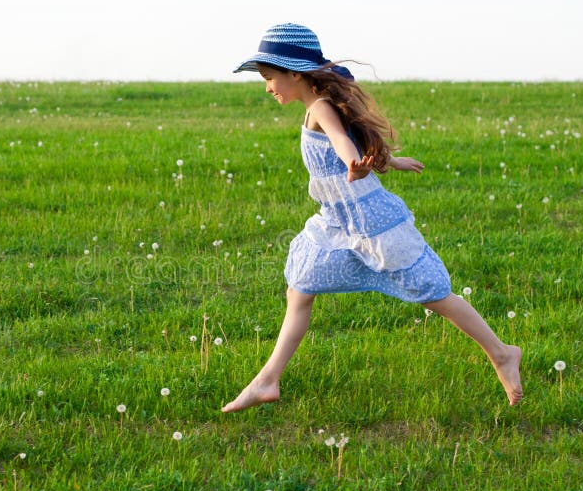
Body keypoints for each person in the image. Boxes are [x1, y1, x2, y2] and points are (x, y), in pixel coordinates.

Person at [221, 23, 522, 413]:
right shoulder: (320, 105)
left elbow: (343, 143)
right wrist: (387, 161)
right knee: (300, 288)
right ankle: (268, 380)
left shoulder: (321, 108)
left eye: (269, 77)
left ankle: (502, 353)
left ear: (295, 72)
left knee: (433, 295)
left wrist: (355, 165)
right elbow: (354, 141)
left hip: (369, 223)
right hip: (338, 222)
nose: (267, 87)